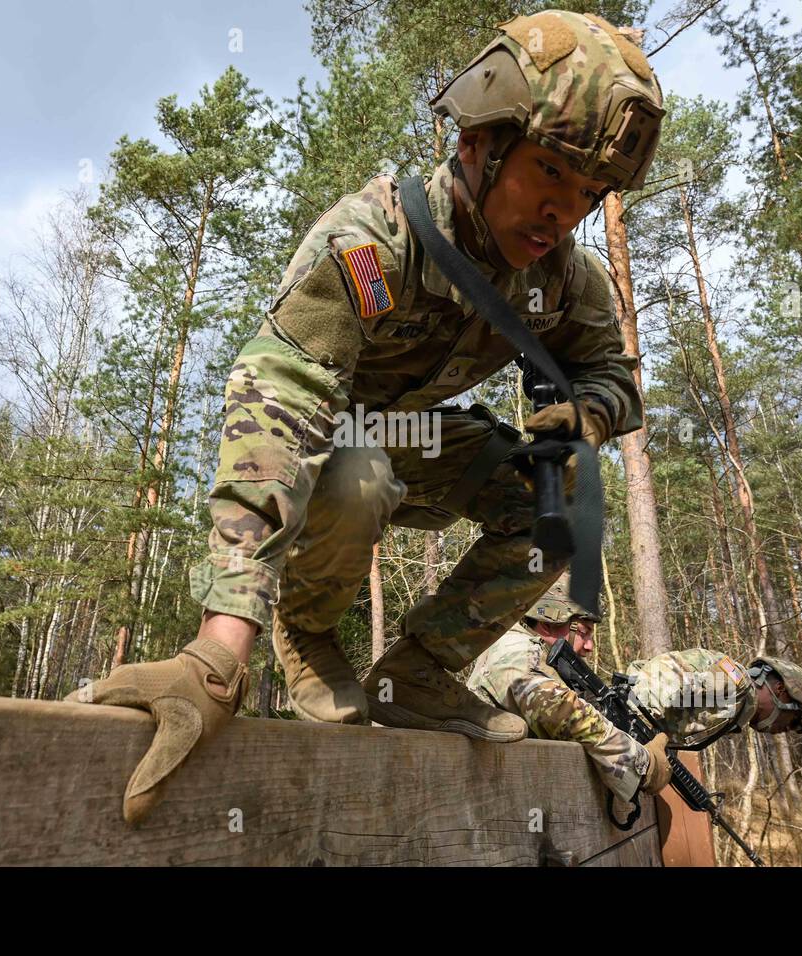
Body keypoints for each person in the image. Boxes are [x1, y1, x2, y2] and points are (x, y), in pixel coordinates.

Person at [70, 9, 666, 824]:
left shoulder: (565, 278)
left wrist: (582, 416)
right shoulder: (373, 240)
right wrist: (220, 649)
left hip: (413, 440)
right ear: (477, 145)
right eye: (550, 174)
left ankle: (420, 671)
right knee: (357, 471)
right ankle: (307, 634)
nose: (566, 211)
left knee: (562, 495)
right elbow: (280, 400)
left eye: (589, 193)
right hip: (327, 453)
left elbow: (617, 380)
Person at [467, 573, 802, 805]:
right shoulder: (733, 685)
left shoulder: (529, 655)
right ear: (548, 623)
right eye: (585, 632)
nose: (590, 648)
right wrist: (638, 756)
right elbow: (650, 692)